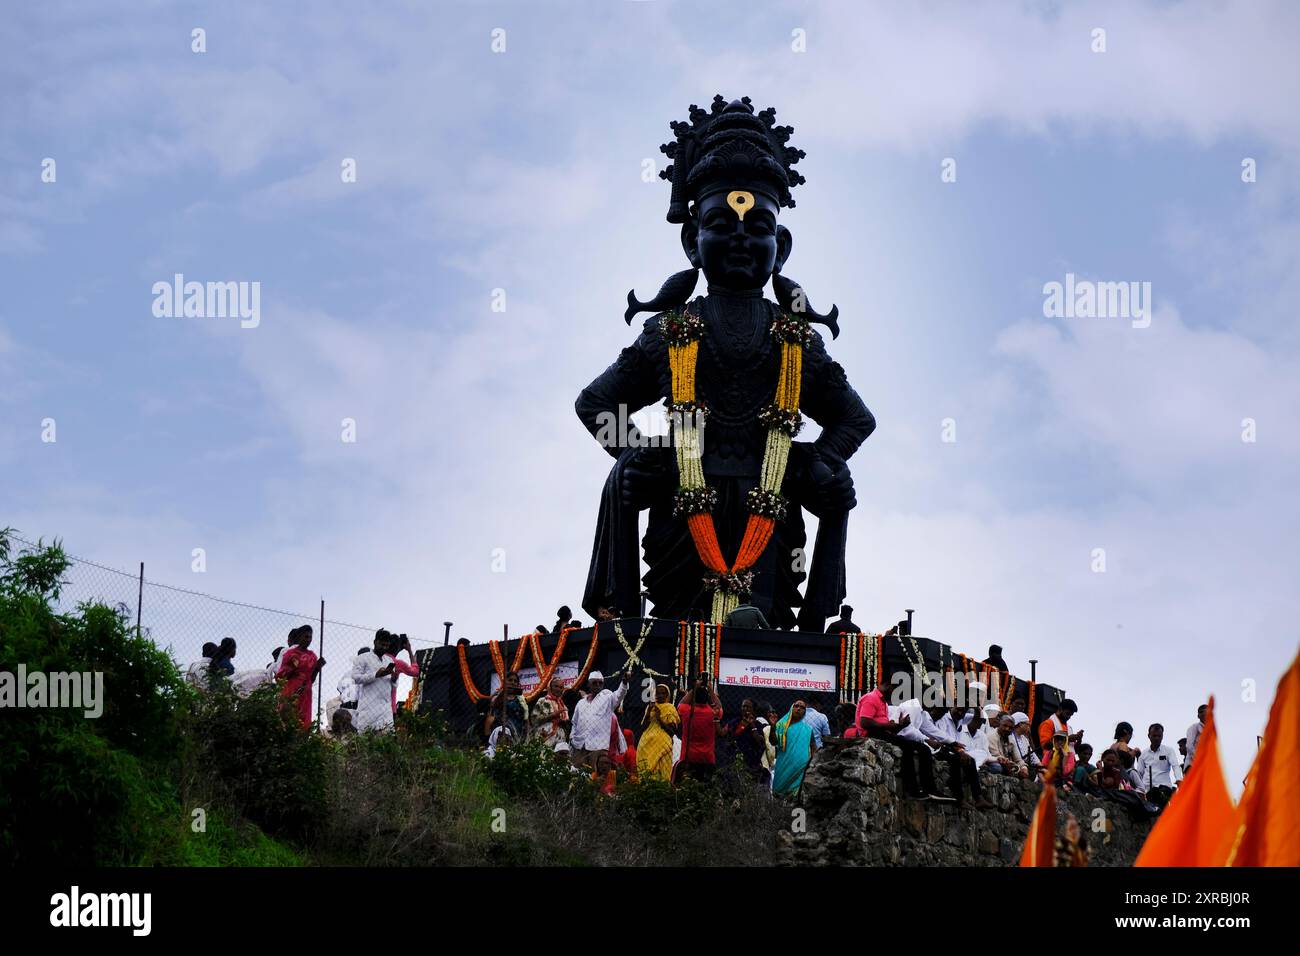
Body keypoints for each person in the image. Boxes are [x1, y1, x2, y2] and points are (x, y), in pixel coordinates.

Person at [853, 683, 949, 801]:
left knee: (923, 749)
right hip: (871, 734)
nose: (895, 693)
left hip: (884, 732)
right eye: (894, 689)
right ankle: (912, 790)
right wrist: (889, 726)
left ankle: (929, 789)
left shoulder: (885, 703)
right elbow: (865, 723)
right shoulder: (871, 698)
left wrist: (901, 725)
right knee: (907, 746)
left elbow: (897, 729)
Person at [570, 670, 629, 769]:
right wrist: (572, 737)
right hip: (579, 746)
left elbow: (619, 695)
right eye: (594, 682)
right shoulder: (581, 703)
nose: (597, 685)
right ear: (588, 684)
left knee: (596, 777)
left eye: (600, 683)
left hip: (598, 747)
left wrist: (624, 683)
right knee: (577, 775)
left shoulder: (607, 699)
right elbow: (574, 723)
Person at [675, 674, 722, 783]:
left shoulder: (687, 711)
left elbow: (680, 704)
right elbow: (719, 707)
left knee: (688, 787)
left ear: (694, 698)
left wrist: (694, 688)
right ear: (707, 699)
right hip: (707, 757)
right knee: (705, 789)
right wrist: (710, 689)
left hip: (689, 757)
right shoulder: (712, 712)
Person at [276, 626, 324, 728]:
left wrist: (317, 668)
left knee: (303, 719)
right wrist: (292, 668)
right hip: (291, 688)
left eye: (310, 637)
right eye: (306, 637)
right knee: (288, 716)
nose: (308, 640)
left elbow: (312, 679)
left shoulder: (312, 656)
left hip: (306, 691)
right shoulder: (290, 653)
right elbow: (280, 676)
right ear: (299, 637)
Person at [772, 700, 817, 796]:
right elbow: (773, 742)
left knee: (795, 795)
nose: (799, 708)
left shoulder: (808, 729)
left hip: (801, 767)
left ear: (805, 712)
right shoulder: (781, 725)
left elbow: (813, 746)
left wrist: (812, 762)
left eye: (802, 707)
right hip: (783, 765)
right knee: (778, 793)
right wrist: (772, 727)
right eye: (796, 706)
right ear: (792, 708)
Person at [352, 635, 396, 732]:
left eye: (387, 646)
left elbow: (393, 685)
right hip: (368, 708)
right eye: (382, 645)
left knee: (386, 741)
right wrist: (375, 675)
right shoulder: (362, 658)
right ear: (375, 642)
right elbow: (356, 678)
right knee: (366, 741)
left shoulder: (389, 660)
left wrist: (394, 679)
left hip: (385, 709)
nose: (384, 648)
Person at [637, 683, 680, 781]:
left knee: (662, 773)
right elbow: (642, 728)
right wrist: (648, 712)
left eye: (663, 693)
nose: (660, 695)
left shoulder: (670, 708)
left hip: (663, 743)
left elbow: (672, 732)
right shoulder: (650, 707)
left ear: (667, 695)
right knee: (645, 771)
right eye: (657, 693)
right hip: (646, 742)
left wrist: (659, 718)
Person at [724, 698, 770, 785]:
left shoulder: (758, 725)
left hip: (752, 762)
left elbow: (760, 741)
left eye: (748, 707)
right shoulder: (736, 722)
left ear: (753, 710)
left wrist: (752, 724)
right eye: (743, 706)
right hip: (735, 760)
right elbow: (726, 734)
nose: (745, 709)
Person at [1133, 723, 1180, 807]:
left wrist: (1179, 779)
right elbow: (1139, 773)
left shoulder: (1169, 750)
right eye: (1154, 736)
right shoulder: (1143, 754)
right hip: (1147, 791)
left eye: (1159, 736)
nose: (1157, 738)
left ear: (1162, 736)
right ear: (1149, 736)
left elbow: (1175, 766)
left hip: (1164, 789)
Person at [383, 631, 420, 715]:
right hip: (390, 708)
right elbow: (415, 672)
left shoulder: (377, 659)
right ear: (397, 648)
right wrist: (409, 650)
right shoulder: (397, 664)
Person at [486, 670, 529, 741]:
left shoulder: (521, 700)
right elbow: (490, 719)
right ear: (504, 682)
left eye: (515, 681)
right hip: (502, 735)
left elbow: (526, 719)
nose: (513, 683)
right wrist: (487, 737)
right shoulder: (498, 698)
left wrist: (527, 735)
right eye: (510, 680)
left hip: (519, 734)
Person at [529, 676, 570, 749]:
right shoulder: (542, 701)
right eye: (556, 686)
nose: (558, 689)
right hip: (544, 737)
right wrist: (552, 716)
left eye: (561, 687)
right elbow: (533, 720)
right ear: (550, 687)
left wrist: (563, 722)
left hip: (560, 739)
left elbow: (567, 725)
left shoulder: (563, 706)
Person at [985, 715, 1030, 779]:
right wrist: (1016, 768)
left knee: (1028, 773)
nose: (1007, 729)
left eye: (1010, 727)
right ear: (999, 724)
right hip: (996, 763)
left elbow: (1018, 759)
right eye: (1005, 726)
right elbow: (998, 757)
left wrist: (1024, 768)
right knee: (997, 768)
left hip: (1009, 765)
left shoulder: (1011, 738)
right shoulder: (991, 736)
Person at [1183, 703, 1207, 772]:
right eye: (1201, 712)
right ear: (1198, 716)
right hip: (1192, 765)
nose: (1204, 714)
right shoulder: (1194, 727)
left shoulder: (1210, 731)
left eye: (1206, 712)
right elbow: (1189, 746)